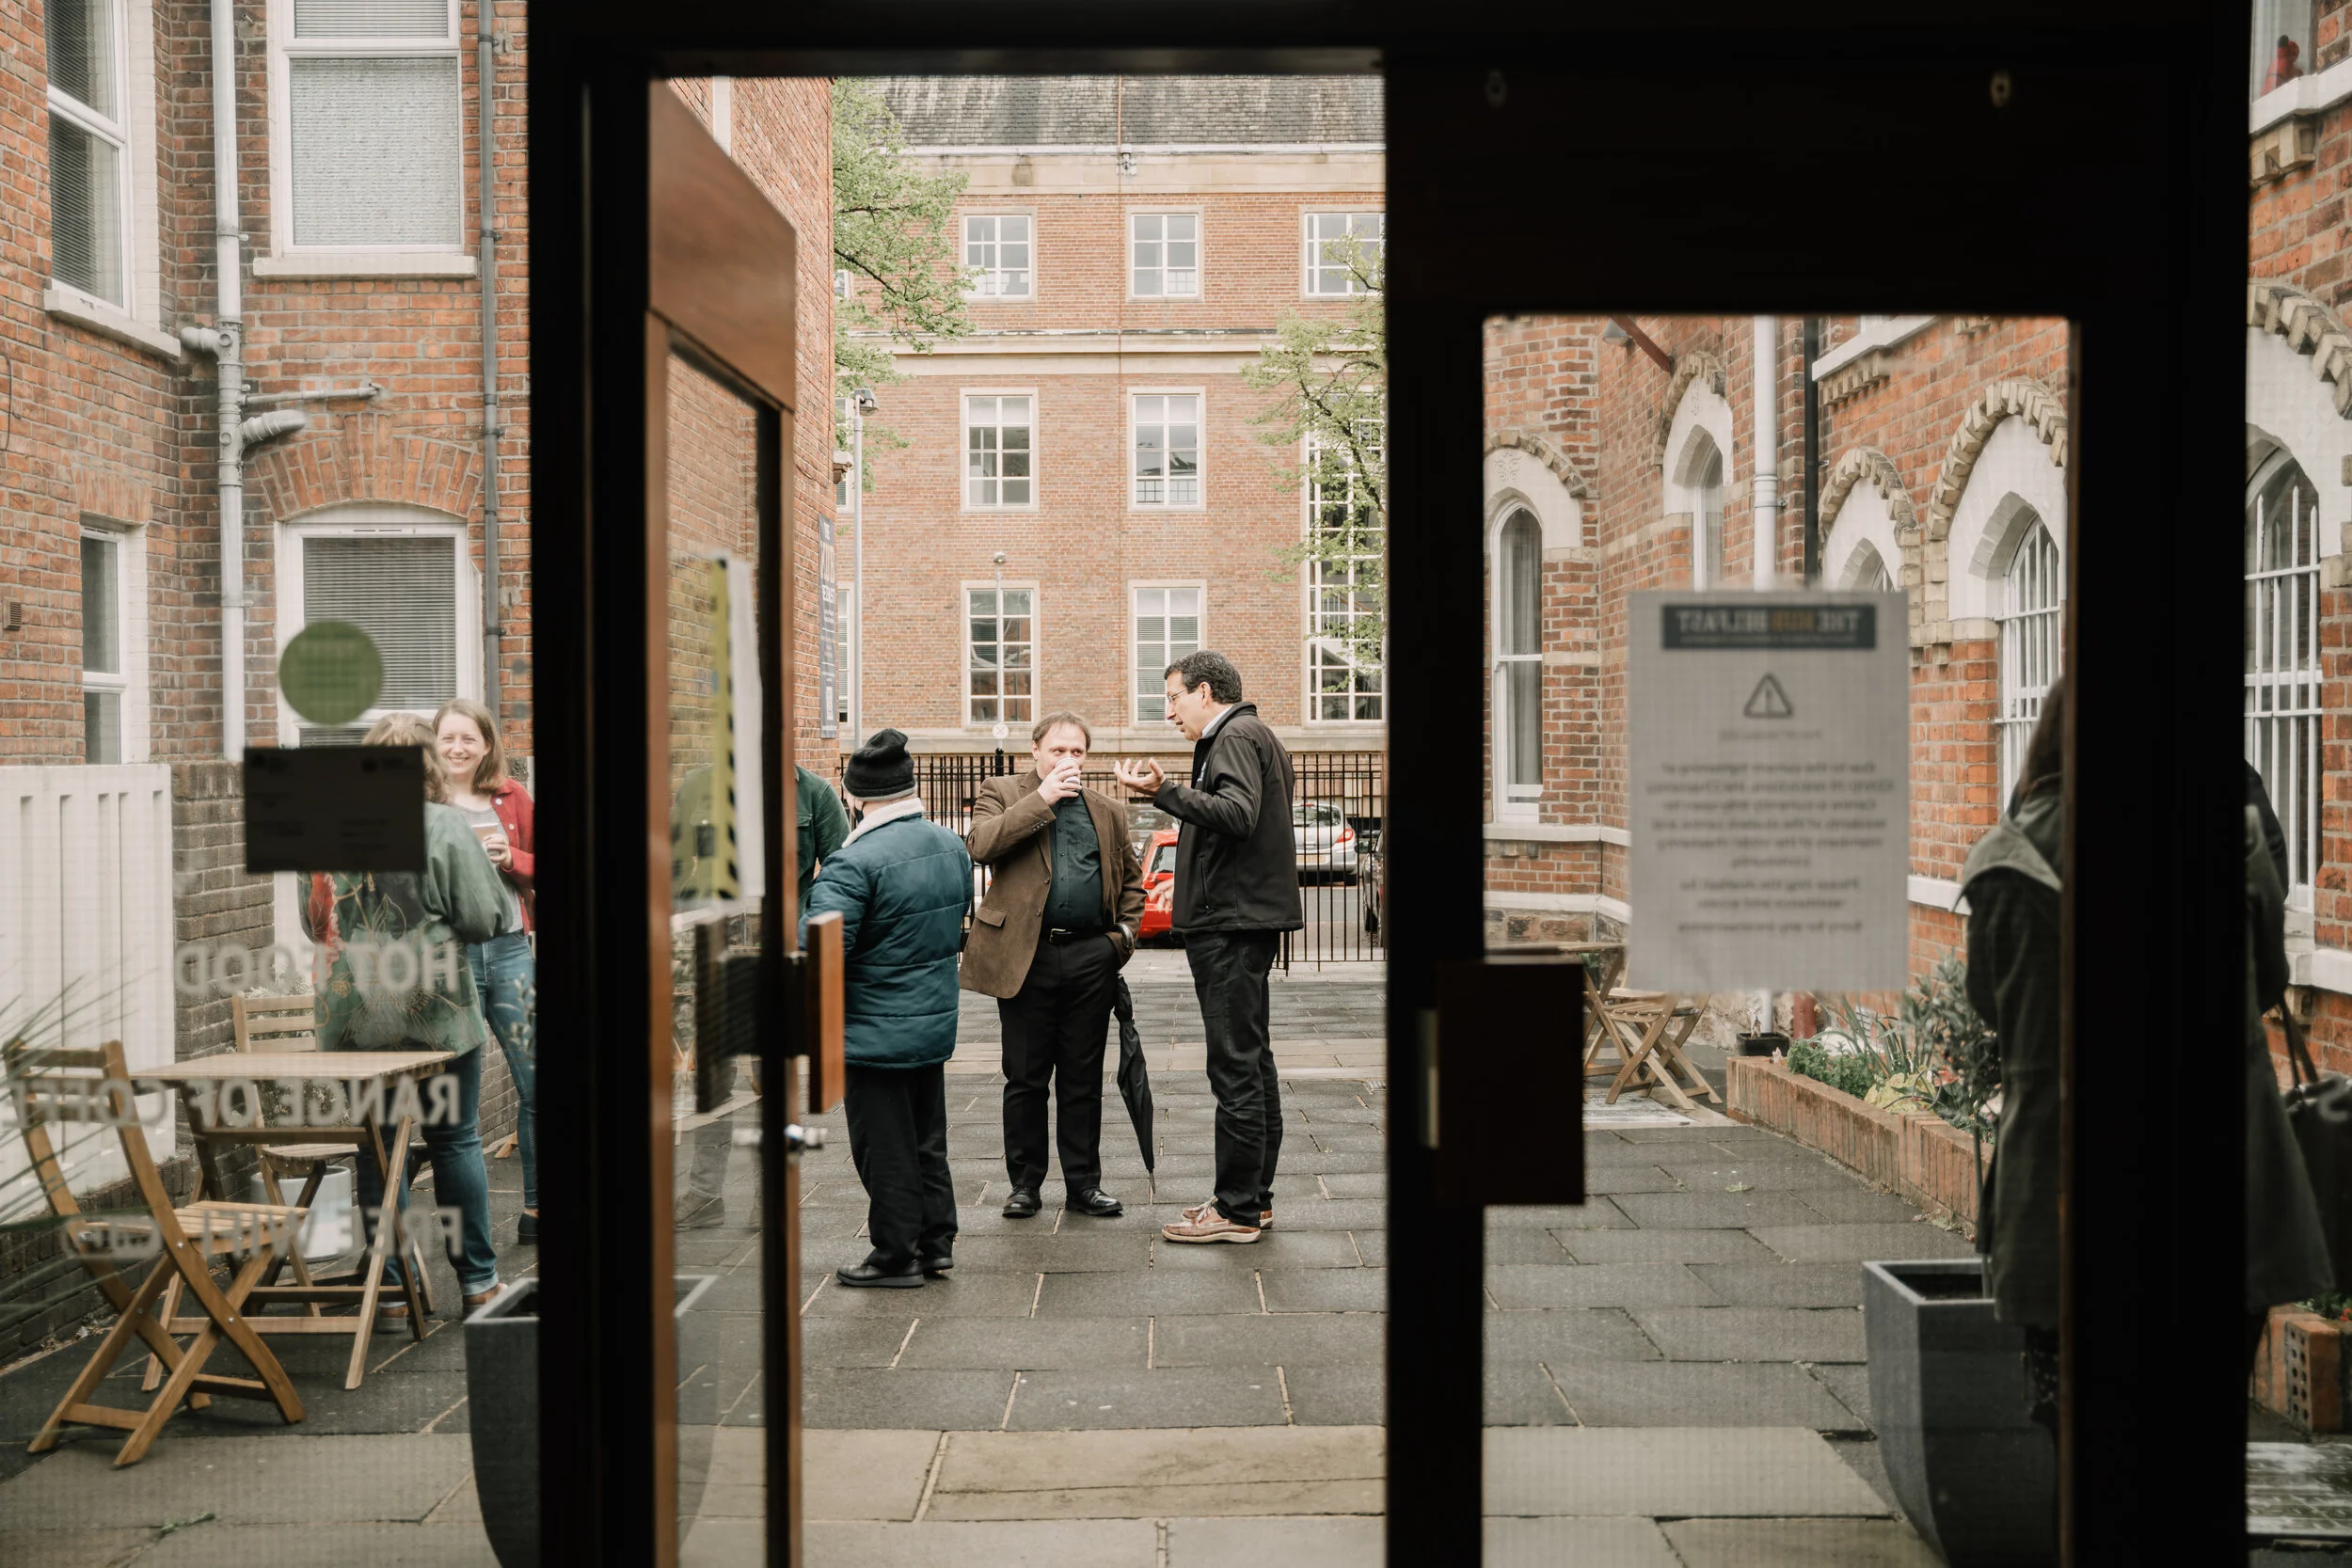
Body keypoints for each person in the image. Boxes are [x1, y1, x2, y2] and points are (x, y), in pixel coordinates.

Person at [304, 711, 508, 1311]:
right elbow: (486, 917)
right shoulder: (444, 826)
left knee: (377, 1146)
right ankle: (476, 1281)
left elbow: (317, 924)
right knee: (456, 1141)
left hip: (355, 1018)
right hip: (436, 1015)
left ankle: (388, 1285)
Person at [1114, 652, 1301, 1244]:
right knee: (1251, 1059)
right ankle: (1254, 1200)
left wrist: (1165, 790)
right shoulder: (1251, 735)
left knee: (1234, 1065)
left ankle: (1237, 1209)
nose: (1169, 712)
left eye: (1172, 698)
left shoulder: (1235, 736)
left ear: (1203, 691)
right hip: (1239, 922)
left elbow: (1237, 815)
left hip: (1230, 926)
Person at [803, 729, 972, 1287]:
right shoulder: (950, 845)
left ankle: (894, 1255)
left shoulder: (854, 864)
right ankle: (936, 1241)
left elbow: (821, 952)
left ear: (855, 797)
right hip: (930, 1022)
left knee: (884, 1145)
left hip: (871, 1030)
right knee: (927, 1137)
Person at [962, 712, 1144, 1220]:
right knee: (1025, 1078)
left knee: (1083, 1079)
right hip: (1026, 956)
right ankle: (1025, 1185)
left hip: (1090, 957)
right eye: (1059, 751)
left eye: (1078, 753)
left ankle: (1085, 1184)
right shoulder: (1001, 790)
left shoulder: (1106, 810)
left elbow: (1131, 880)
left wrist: (1121, 939)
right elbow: (981, 844)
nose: (1068, 761)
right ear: (1036, 751)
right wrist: (1041, 799)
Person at [435, 698, 540, 1244]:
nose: (458, 748)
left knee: (538, 1081)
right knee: (460, 1099)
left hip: (508, 950)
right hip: (448, 958)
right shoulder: (421, 802)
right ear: (434, 744)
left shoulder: (511, 797)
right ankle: (468, 1237)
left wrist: (512, 860)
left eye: (468, 739)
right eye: (448, 738)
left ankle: (537, 1212)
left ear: (486, 745)